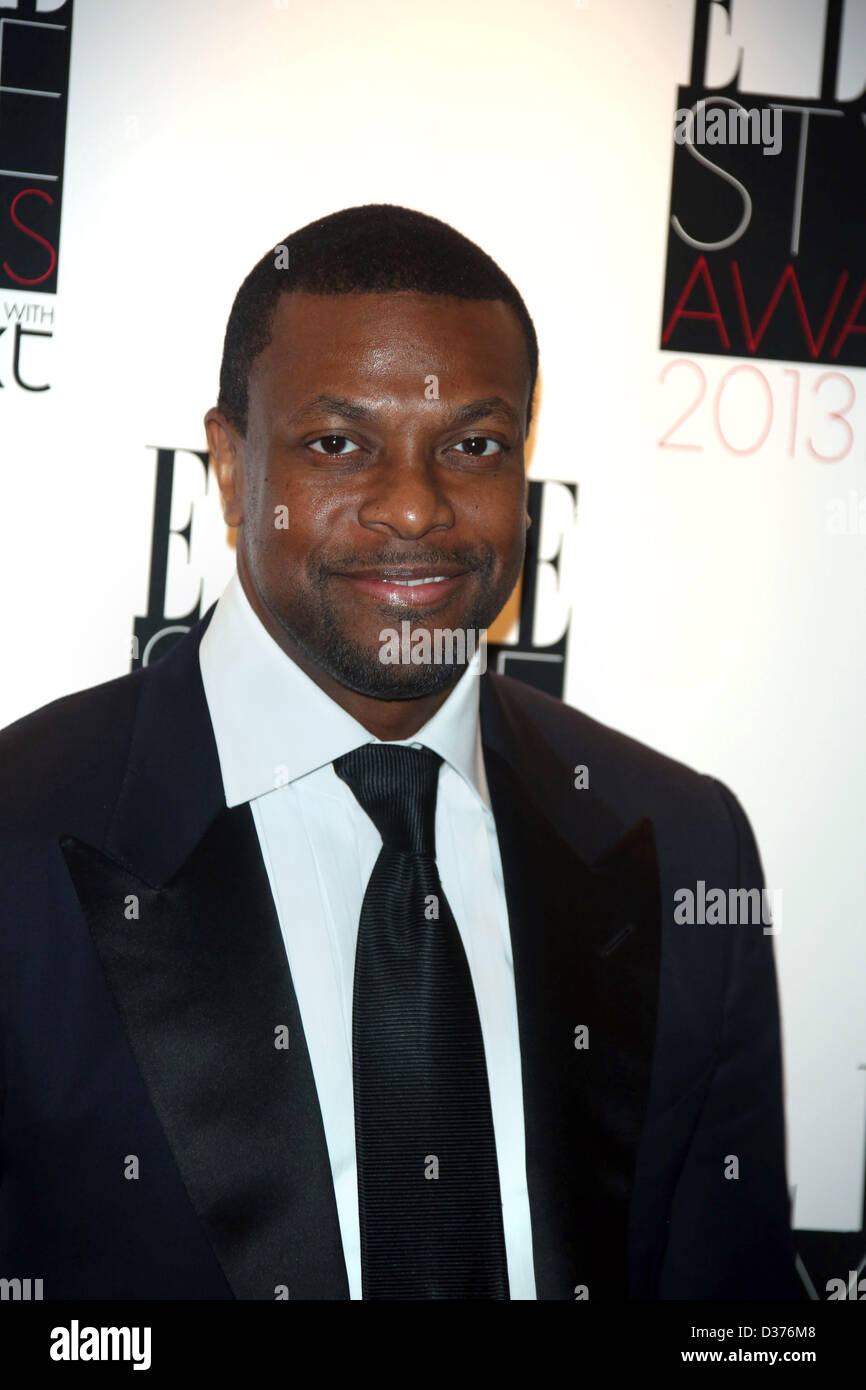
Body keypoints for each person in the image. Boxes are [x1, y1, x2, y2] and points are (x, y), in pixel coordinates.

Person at [0, 204, 797, 1300]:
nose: (415, 507)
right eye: (339, 444)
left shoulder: (683, 844)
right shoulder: (22, 834)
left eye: (472, 445)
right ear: (230, 470)